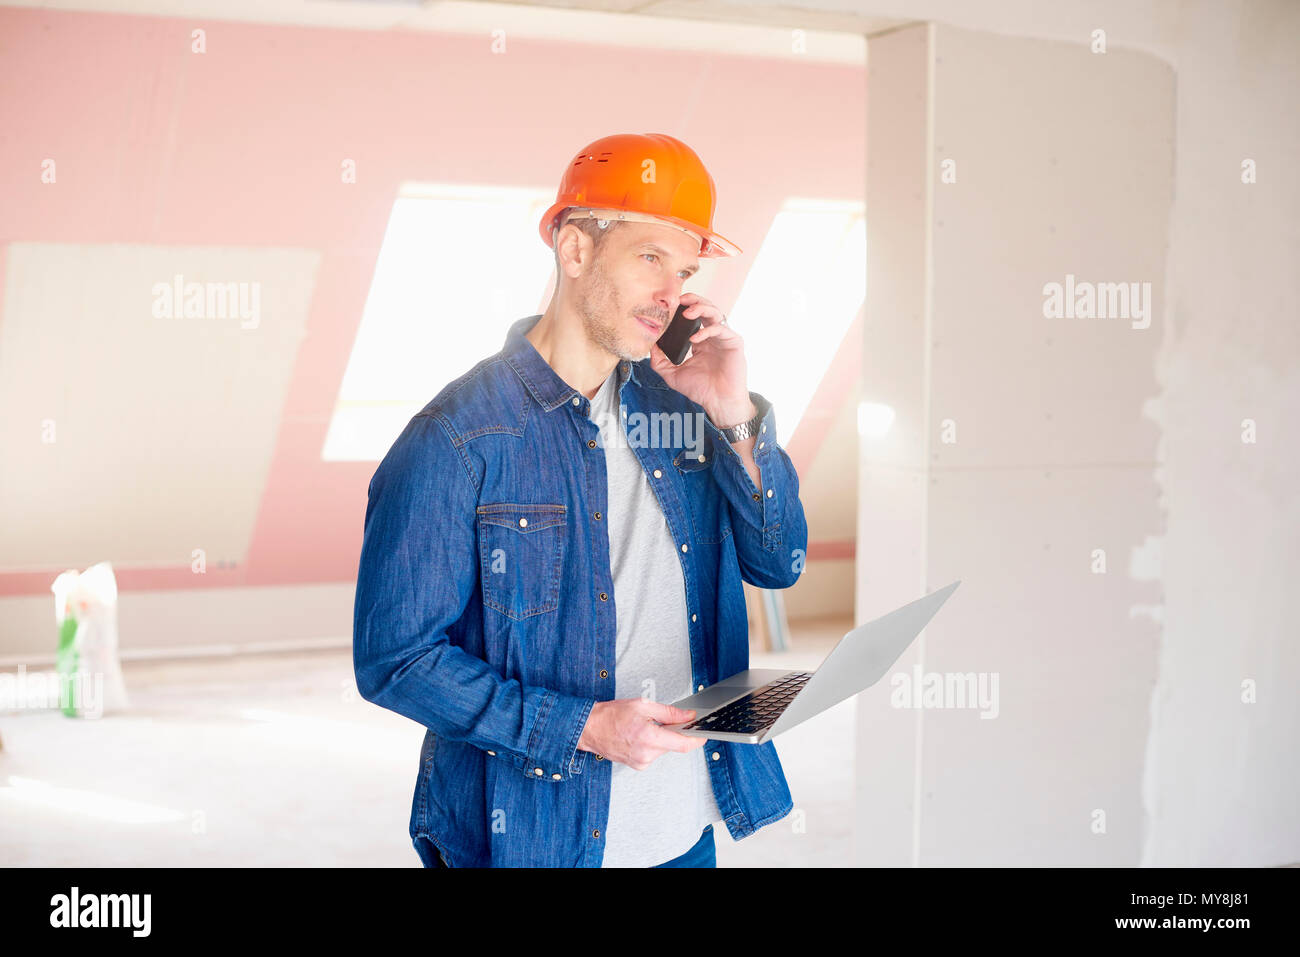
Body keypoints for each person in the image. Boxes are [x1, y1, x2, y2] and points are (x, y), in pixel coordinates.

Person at [353, 132, 808, 867]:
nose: (671, 293)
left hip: (684, 829)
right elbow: (395, 660)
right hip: (539, 839)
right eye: (650, 256)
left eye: (685, 269)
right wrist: (583, 727)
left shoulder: (690, 413)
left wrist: (735, 414)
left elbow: (779, 562)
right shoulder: (457, 437)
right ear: (574, 251)